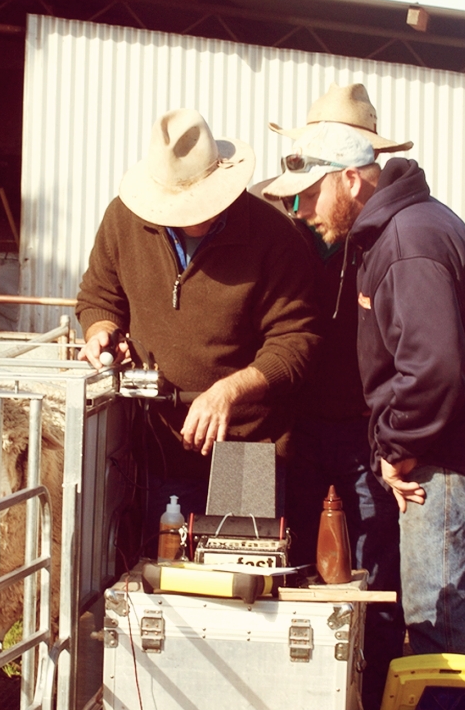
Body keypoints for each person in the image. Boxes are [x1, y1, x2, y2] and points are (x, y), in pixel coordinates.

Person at [261, 111, 465, 661]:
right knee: (454, 616)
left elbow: (434, 369)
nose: (300, 209)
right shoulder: (405, 226)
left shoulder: (409, 241)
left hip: (448, 463)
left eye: (310, 193)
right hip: (447, 455)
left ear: (350, 178)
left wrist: (395, 447)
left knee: (437, 620)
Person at [77, 108, 321, 545]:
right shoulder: (123, 220)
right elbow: (99, 295)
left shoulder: (274, 237)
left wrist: (229, 391)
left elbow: (296, 341)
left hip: (245, 445)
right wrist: (101, 331)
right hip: (160, 441)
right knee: (168, 575)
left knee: (237, 572)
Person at [261, 84, 410, 710]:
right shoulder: (284, 226)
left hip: (361, 427)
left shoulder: (380, 230)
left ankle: (369, 708)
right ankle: (297, 703)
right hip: (298, 425)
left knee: (375, 570)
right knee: (290, 561)